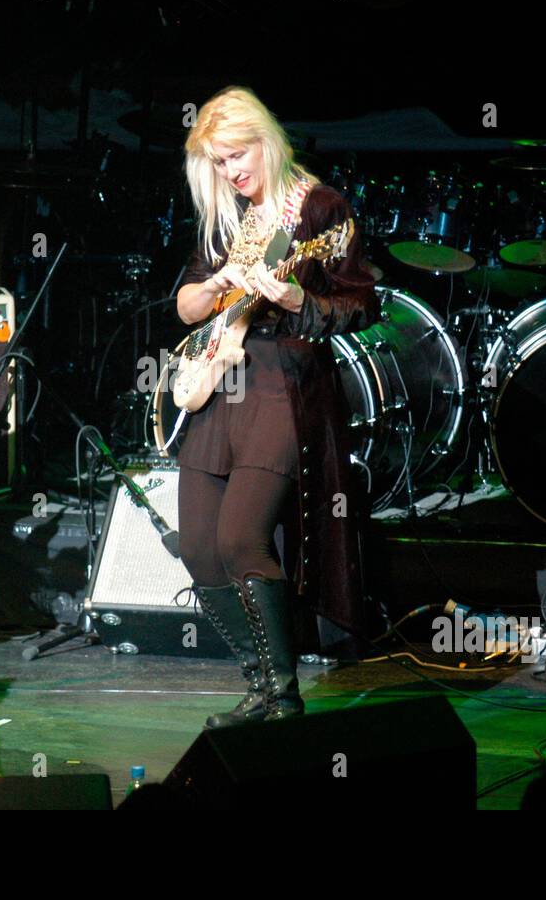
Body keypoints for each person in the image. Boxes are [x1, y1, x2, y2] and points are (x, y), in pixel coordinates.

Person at [175, 88, 380, 727]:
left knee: (240, 538)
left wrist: (295, 301)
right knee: (197, 548)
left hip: (280, 383)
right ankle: (259, 684)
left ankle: (284, 696)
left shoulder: (320, 209)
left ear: (265, 140)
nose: (233, 174)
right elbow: (184, 308)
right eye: (219, 165)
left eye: (238, 157)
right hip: (220, 380)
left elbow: (362, 303)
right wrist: (215, 285)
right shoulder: (227, 219)